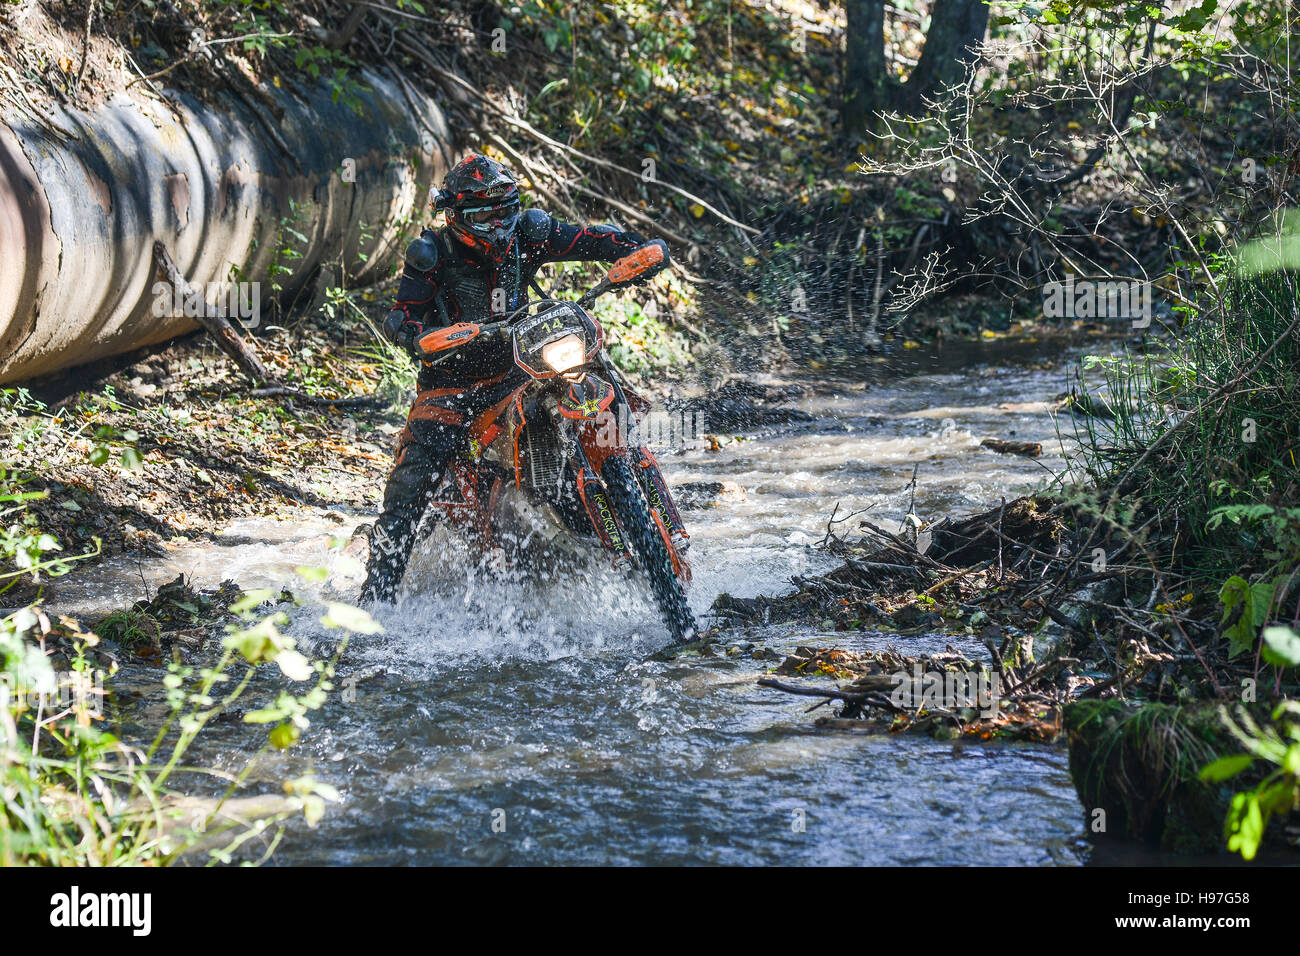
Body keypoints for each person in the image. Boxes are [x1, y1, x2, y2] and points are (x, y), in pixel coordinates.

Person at [361, 153, 671, 603]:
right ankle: (377, 600)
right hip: (452, 385)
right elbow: (400, 318)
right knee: (413, 477)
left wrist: (637, 249)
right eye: (484, 214)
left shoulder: (530, 232)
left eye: (505, 210)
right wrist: (423, 338)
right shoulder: (431, 253)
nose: (498, 222)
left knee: (599, 381)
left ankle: (646, 499)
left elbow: (590, 239)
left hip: (521, 366)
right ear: (456, 216)